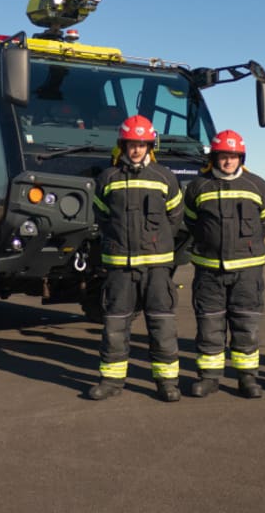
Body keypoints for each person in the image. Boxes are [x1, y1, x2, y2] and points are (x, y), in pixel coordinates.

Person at [88, 115, 184, 402]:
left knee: (162, 326)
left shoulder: (165, 177)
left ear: (149, 147)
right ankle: (111, 381)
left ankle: (167, 383)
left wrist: (154, 244)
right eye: (131, 144)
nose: (136, 149)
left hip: (156, 267)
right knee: (115, 327)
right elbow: (102, 216)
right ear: (123, 145)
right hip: (120, 267)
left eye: (142, 144)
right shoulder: (108, 178)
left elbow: (174, 217)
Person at [183, 129, 265, 398]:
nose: (228, 161)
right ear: (214, 157)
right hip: (209, 270)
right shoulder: (199, 186)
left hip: (247, 271)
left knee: (246, 325)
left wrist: (245, 247)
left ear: (241, 158)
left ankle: (247, 378)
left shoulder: (257, 185)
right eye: (223, 156)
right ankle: (209, 378)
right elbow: (191, 221)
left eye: (233, 156)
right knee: (209, 325)